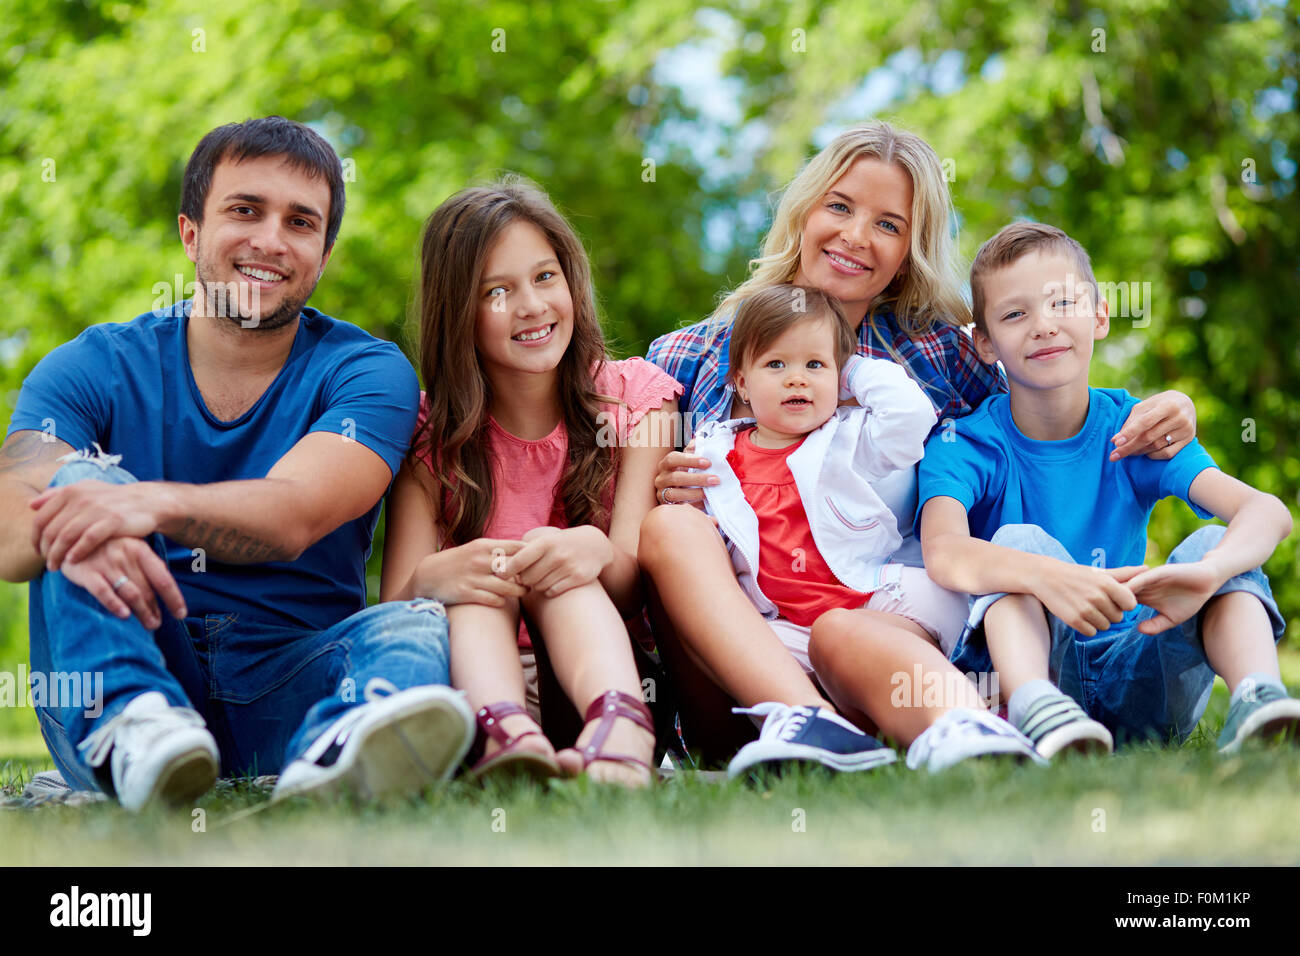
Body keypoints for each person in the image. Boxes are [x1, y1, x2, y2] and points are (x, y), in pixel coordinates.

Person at [640, 120, 1200, 767]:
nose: (855, 236)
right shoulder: (687, 356)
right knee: (671, 528)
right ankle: (806, 724)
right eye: (840, 207)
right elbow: (618, 526)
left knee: (844, 631)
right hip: (739, 676)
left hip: (881, 648)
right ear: (803, 212)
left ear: (909, 250)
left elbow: (1042, 417)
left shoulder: (936, 355)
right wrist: (662, 487)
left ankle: (936, 729)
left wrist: (1161, 411)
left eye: (888, 224)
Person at [0, 116, 474, 811]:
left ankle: (342, 747)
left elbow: (294, 513)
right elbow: (11, 527)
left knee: (414, 624)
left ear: (323, 253)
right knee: (76, 487)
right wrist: (81, 510)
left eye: (301, 222)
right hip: (132, 650)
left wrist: (149, 505)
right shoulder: (90, 366)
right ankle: (137, 722)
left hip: (290, 675)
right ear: (191, 233)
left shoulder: (368, 372)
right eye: (245, 210)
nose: (271, 241)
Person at [917, 221, 1298, 756]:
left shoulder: (1133, 429)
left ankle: (1258, 700)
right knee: (1016, 543)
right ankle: (1038, 711)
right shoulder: (966, 441)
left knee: (1216, 547)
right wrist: (1055, 579)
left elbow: (1267, 511)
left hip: (1142, 663)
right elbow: (944, 551)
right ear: (984, 343)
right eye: (1014, 314)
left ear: (1098, 316)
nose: (1043, 326)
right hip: (1041, 666)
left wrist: (1207, 574)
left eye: (1063, 304)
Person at [380, 178, 681, 787]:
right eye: (498, 291)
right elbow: (394, 607)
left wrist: (594, 550)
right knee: (478, 583)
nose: (532, 306)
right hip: (472, 677)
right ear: (458, 311)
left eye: (545, 277)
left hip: (594, 677)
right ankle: (506, 735)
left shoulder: (635, 402)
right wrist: (454, 569)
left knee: (559, 565)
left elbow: (629, 590)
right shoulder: (429, 434)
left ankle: (623, 732)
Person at [689, 284, 1041, 777]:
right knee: (765, 657)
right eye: (776, 366)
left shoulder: (850, 437)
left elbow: (911, 414)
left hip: (883, 597)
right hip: (786, 624)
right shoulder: (712, 454)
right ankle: (846, 739)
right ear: (741, 383)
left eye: (814, 366)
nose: (797, 380)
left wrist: (846, 364)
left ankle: (968, 721)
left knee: (848, 637)